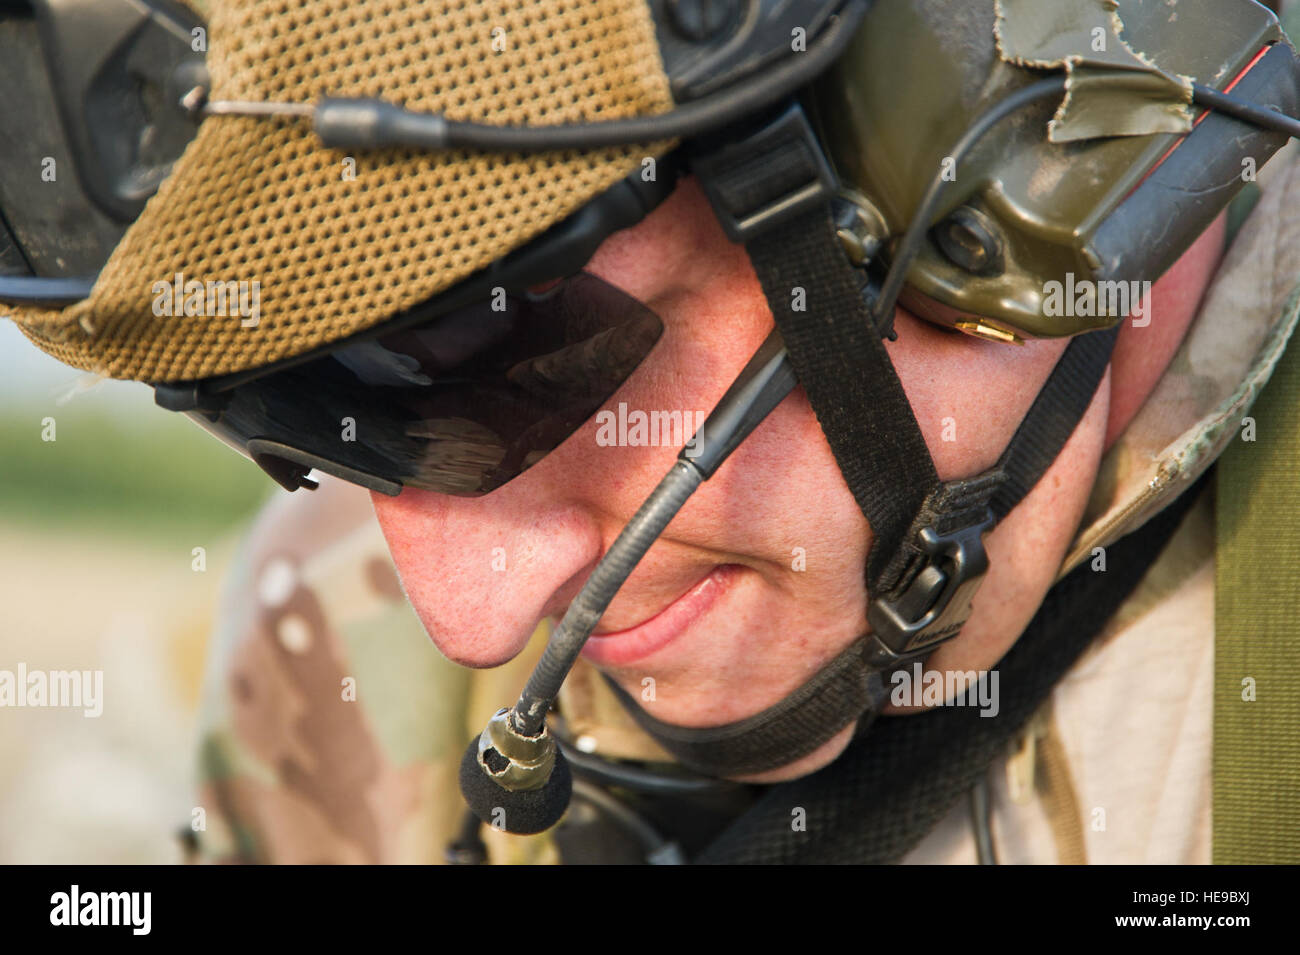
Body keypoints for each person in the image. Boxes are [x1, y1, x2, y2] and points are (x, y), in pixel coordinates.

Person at [5, 0, 1300, 863]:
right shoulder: (331, 657)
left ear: (959, 142)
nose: (471, 618)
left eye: (487, 359)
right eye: (306, 422)